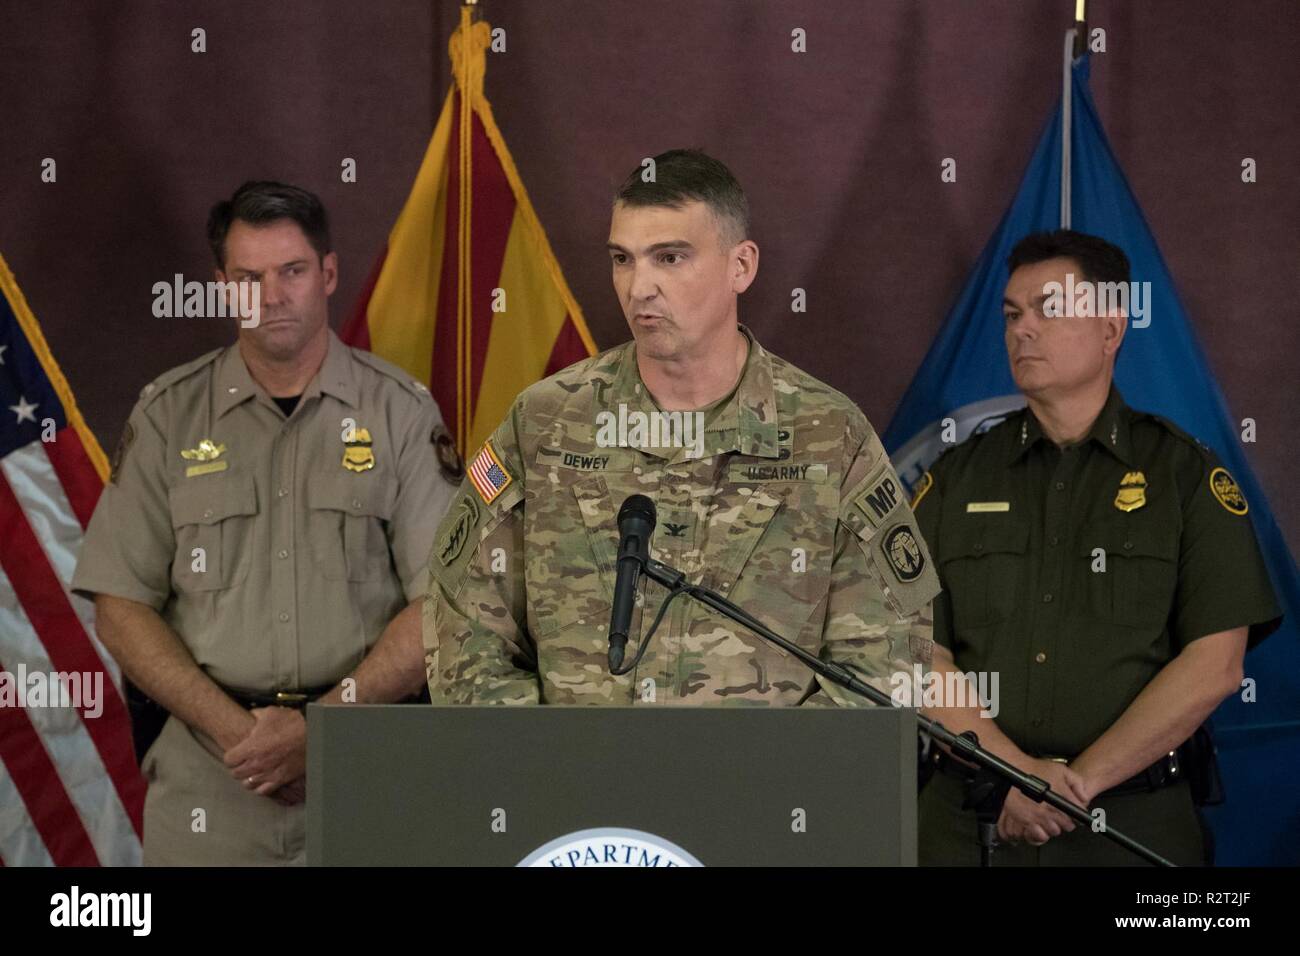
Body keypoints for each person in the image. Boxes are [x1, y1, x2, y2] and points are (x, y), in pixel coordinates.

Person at [425, 149, 938, 707]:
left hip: (762, 791)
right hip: (570, 786)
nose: (638, 286)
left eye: (669, 258)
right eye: (623, 259)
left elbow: (885, 663)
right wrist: (553, 775)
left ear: (741, 266)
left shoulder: (831, 436)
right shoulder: (545, 421)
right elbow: (464, 627)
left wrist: (766, 786)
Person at [72, 181, 459, 864]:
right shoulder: (167, 417)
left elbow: (447, 605)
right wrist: (235, 733)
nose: (272, 296)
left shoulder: (401, 413)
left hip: (367, 768)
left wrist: (323, 729)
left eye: (292, 271)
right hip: (213, 779)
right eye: (249, 277)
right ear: (222, 286)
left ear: (329, 273)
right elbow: (120, 604)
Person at [914, 229, 1282, 865]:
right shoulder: (953, 479)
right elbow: (919, 654)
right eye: (1012, 314)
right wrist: (1013, 776)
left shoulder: (1184, 477)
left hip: (1131, 828)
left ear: (1111, 329)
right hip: (971, 821)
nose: (1022, 330)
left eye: (1048, 309)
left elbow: (1216, 665)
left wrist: (1072, 787)